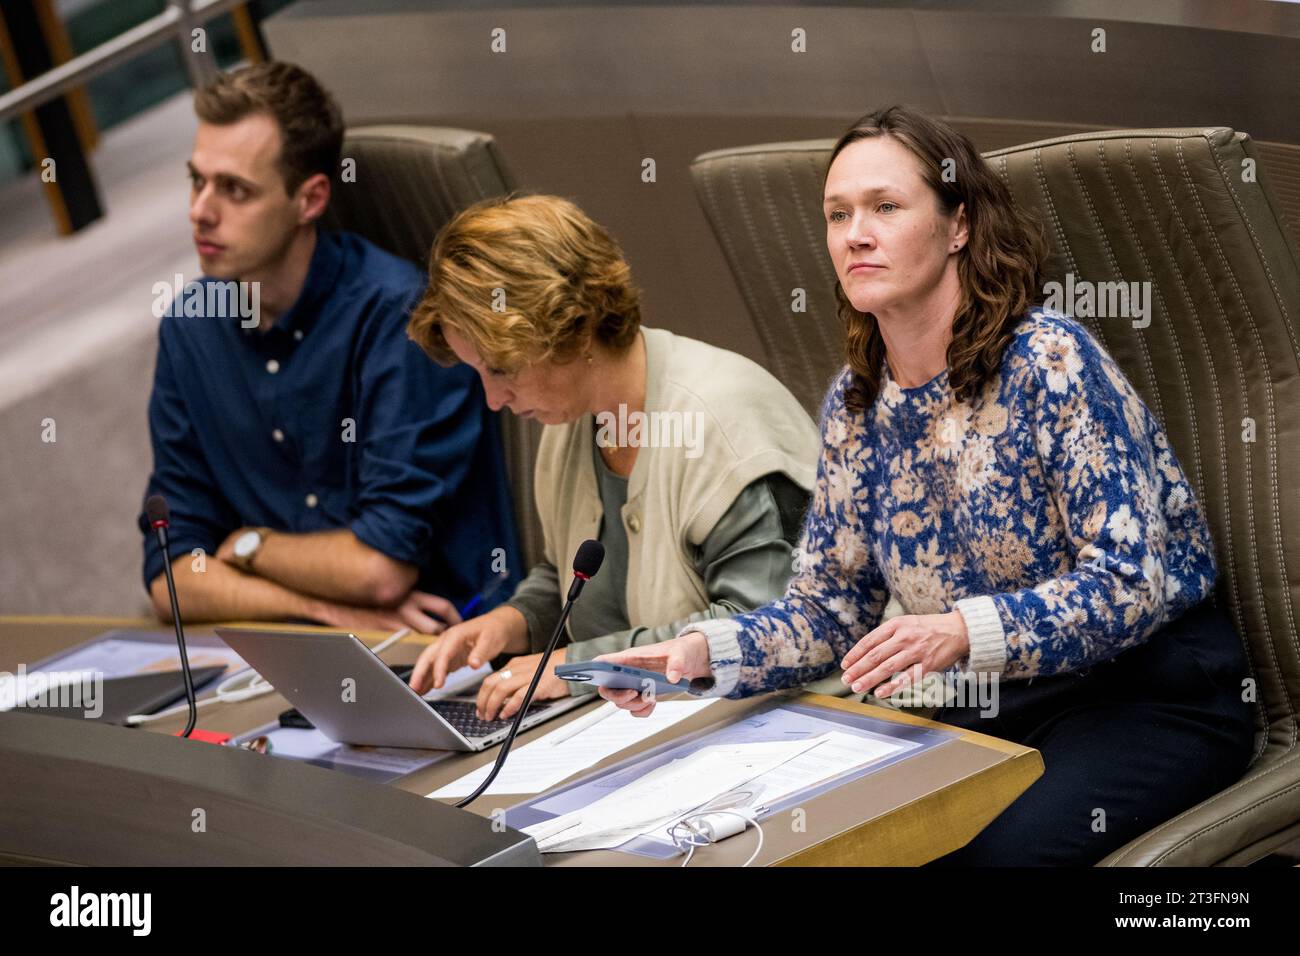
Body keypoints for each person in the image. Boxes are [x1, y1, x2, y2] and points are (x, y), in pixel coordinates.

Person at [595, 105, 1255, 866]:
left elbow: (1128, 584)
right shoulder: (856, 400)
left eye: (885, 207)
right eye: (837, 214)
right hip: (999, 703)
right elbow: (830, 609)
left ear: (958, 226)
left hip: (1151, 695)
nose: (855, 234)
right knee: (849, 850)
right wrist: (702, 651)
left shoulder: (1048, 361)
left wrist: (956, 632)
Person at [405, 194, 823, 721]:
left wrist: (568, 666)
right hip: (652, 724)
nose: (493, 400)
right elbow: (572, 574)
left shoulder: (722, 420)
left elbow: (764, 625)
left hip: (785, 726)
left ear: (574, 329)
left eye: (502, 368)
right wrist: (514, 621)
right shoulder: (571, 417)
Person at [141, 62, 521, 634]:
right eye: (197, 181)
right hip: (297, 647)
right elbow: (172, 574)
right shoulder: (190, 328)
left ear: (310, 199)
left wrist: (247, 545)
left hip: (442, 648)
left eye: (234, 190)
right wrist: (322, 609)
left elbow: (380, 571)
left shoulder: (399, 317)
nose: (200, 210)